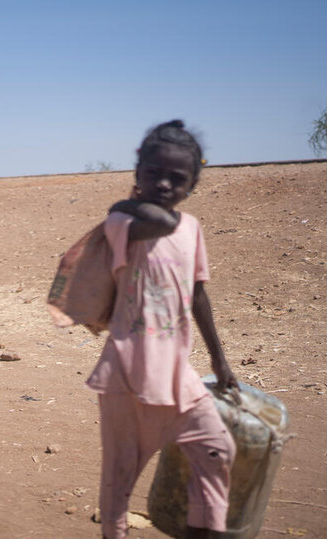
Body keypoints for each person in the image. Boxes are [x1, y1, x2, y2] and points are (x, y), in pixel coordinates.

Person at [84, 120, 237, 539]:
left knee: (217, 449)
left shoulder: (192, 229)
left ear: (193, 183)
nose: (165, 184)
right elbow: (160, 222)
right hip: (126, 376)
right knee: (119, 480)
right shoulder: (122, 221)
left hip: (176, 374)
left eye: (178, 178)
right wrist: (128, 201)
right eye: (154, 173)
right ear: (137, 172)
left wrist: (220, 362)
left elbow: (198, 296)